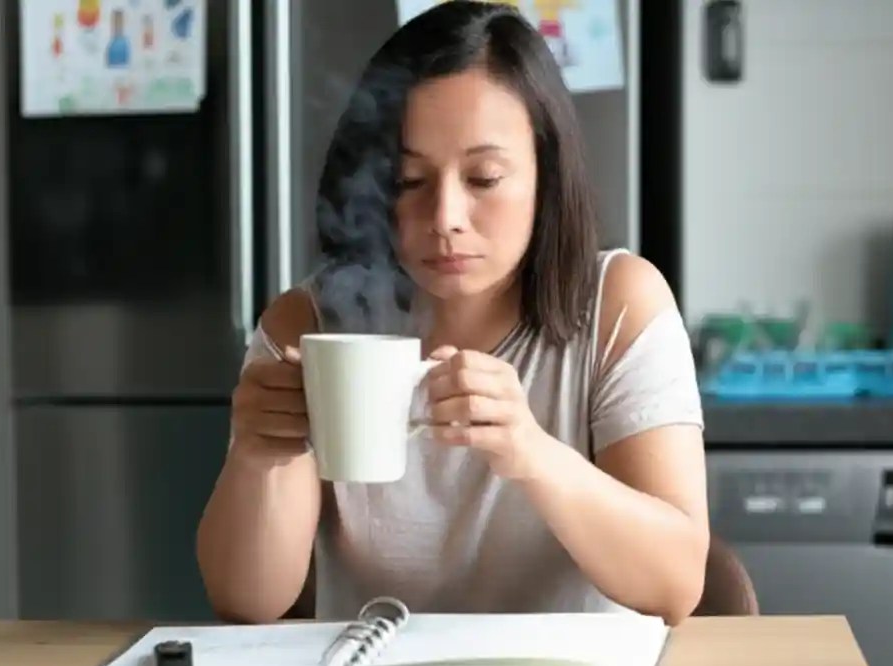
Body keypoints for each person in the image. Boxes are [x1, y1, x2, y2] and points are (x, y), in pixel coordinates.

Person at [197, 0, 707, 626]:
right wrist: (257, 453)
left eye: (484, 178)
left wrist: (529, 451)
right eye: (410, 181)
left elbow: (676, 584)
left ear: (546, 175)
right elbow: (246, 603)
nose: (445, 219)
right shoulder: (307, 325)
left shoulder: (618, 306)